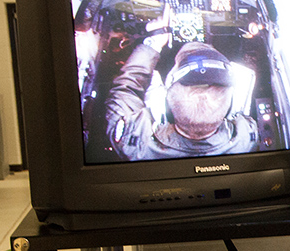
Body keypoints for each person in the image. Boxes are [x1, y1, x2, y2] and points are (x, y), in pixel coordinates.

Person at [104, 22, 269, 160]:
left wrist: (152, 45)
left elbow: (124, 89)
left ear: (167, 107)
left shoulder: (132, 142)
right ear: (229, 109)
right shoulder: (247, 138)